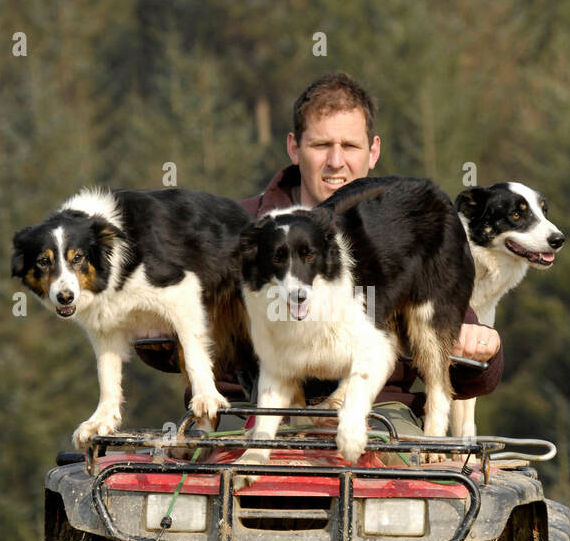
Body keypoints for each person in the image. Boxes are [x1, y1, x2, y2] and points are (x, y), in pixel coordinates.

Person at [216, 72, 503, 419]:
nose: (336, 162)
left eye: (350, 147)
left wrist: (482, 349)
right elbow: (177, 341)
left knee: (406, 470)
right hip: (244, 409)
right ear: (294, 147)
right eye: (321, 146)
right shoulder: (237, 226)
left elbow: (467, 364)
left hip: (380, 417)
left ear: (373, 151)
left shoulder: (408, 229)